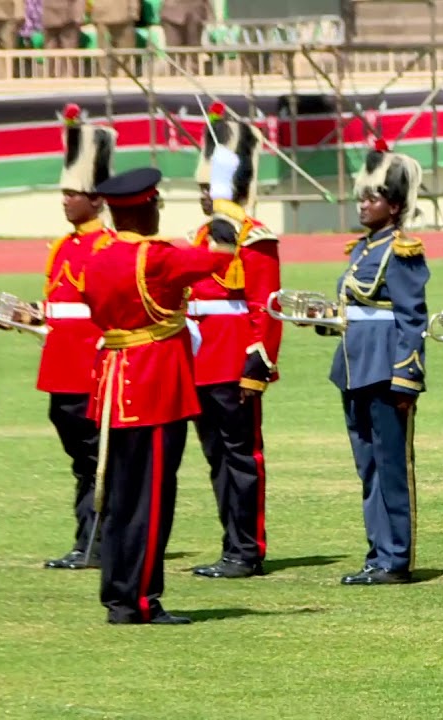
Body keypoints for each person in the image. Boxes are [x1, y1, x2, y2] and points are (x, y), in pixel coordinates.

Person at [82, 164, 237, 625]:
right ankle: (139, 600)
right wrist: (224, 226)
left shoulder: (97, 255)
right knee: (150, 501)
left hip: (113, 380)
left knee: (120, 497)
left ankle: (118, 593)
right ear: (147, 208)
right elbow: (216, 260)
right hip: (154, 388)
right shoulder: (156, 257)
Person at [317, 139, 429, 586]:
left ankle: (396, 556)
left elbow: (411, 318)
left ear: (395, 204)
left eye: (374, 196)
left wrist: (406, 378)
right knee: (368, 467)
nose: (364, 203)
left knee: (391, 467)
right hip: (354, 365)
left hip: (385, 369)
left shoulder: (401, 251)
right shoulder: (362, 249)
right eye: (362, 195)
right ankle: (377, 550)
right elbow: (354, 309)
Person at [185, 102, 282, 580]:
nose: (203, 195)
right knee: (216, 459)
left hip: (234, 362)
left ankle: (247, 549)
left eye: (209, 186)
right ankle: (230, 544)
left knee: (242, 458)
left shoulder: (254, 237)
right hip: (202, 360)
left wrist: (257, 367)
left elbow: (266, 305)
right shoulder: (201, 234)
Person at [34, 103, 116, 570]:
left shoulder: (106, 246)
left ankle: (98, 543)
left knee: (97, 461)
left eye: (75, 192)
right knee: (81, 462)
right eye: (64, 192)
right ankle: (87, 538)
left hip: (91, 370)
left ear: (98, 199)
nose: (66, 200)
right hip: (59, 370)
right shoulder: (62, 246)